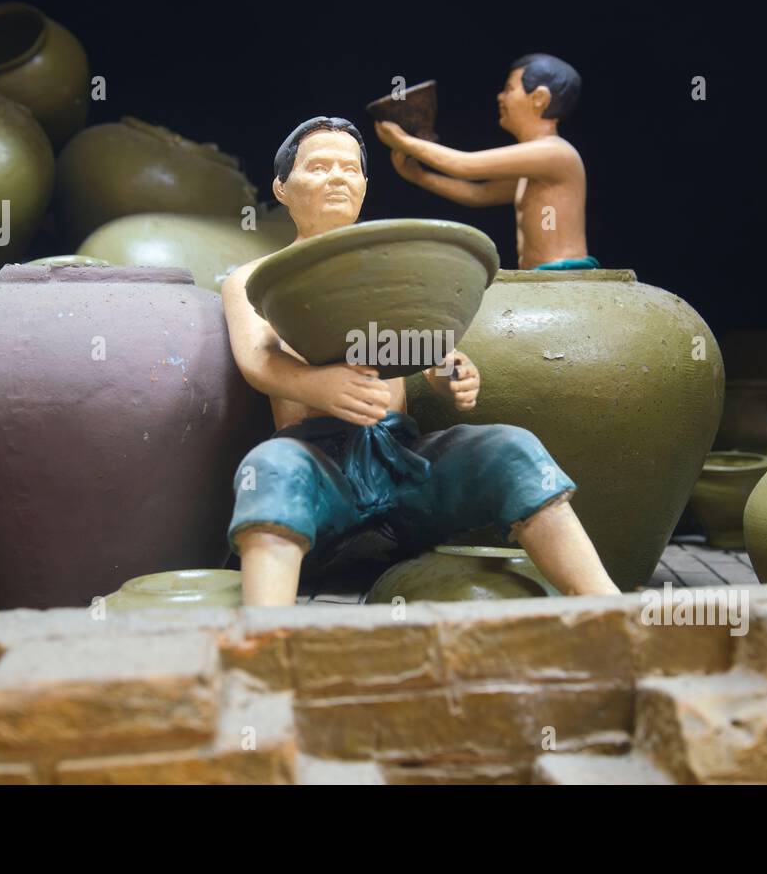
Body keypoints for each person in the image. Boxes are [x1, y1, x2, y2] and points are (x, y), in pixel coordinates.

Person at [221, 116, 620, 606]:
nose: (337, 177)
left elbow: (420, 342)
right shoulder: (253, 277)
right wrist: (319, 388)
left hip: (403, 459)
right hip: (317, 458)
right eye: (319, 166)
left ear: (366, 185)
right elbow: (257, 359)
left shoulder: (392, 265)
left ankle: (605, 603)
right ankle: (264, 636)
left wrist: (447, 370)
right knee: (270, 469)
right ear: (282, 188)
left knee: (511, 449)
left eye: (349, 168)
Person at [375, 53, 595, 270]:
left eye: (509, 89)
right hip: (541, 276)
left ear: (539, 98)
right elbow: (479, 194)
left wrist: (404, 141)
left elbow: (466, 166)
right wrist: (420, 177)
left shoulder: (556, 153)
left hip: (565, 273)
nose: (501, 97)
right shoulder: (535, 169)